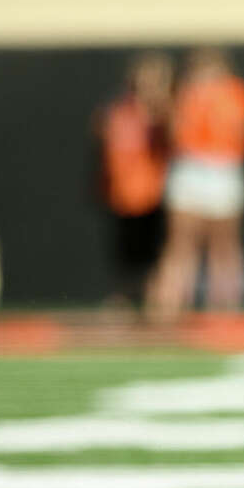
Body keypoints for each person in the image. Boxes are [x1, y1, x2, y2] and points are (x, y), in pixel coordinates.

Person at [147, 48, 244, 319]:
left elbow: (233, 131)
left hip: (221, 169)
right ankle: (167, 310)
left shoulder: (235, 94)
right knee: (180, 245)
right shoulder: (183, 94)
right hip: (190, 167)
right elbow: (175, 134)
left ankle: (224, 311)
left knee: (224, 245)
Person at [94, 52, 174, 308]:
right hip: (124, 195)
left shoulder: (167, 112)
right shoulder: (120, 110)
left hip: (157, 193)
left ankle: (157, 305)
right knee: (125, 255)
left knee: (157, 255)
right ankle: (125, 302)